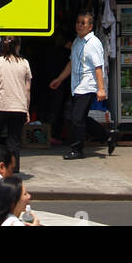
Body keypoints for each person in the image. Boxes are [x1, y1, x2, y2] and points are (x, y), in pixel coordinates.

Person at [50, 10, 117, 160]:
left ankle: (77, 149)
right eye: (78, 23)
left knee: (77, 118)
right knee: (80, 118)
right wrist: (60, 79)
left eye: (83, 23)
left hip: (88, 85)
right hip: (76, 85)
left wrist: (101, 89)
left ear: (90, 26)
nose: (79, 26)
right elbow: (72, 62)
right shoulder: (77, 42)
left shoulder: (93, 44)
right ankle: (107, 135)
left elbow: (98, 67)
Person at [0, 39, 31, 171]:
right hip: (19, 106)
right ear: (18, 46)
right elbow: (27, 89)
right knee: (14, 141)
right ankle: (13, 169)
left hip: (0, 105)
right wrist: (26, 109)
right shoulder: (24, 63)